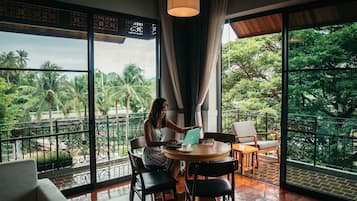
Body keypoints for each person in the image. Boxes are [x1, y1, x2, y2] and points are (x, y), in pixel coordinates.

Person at [143, 97, 197, 178]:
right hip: (150, 155)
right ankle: (169, 185)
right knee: (176, 160)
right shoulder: (148, 123)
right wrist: (166, 142)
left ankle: (169, 185)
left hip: (159, 152)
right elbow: (149, 143)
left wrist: (193, 128)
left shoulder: (164, 121)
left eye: (167, 106)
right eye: (165, 107)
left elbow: (180, 130)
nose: (166, 109)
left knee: (177, 159)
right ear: (158, 108)